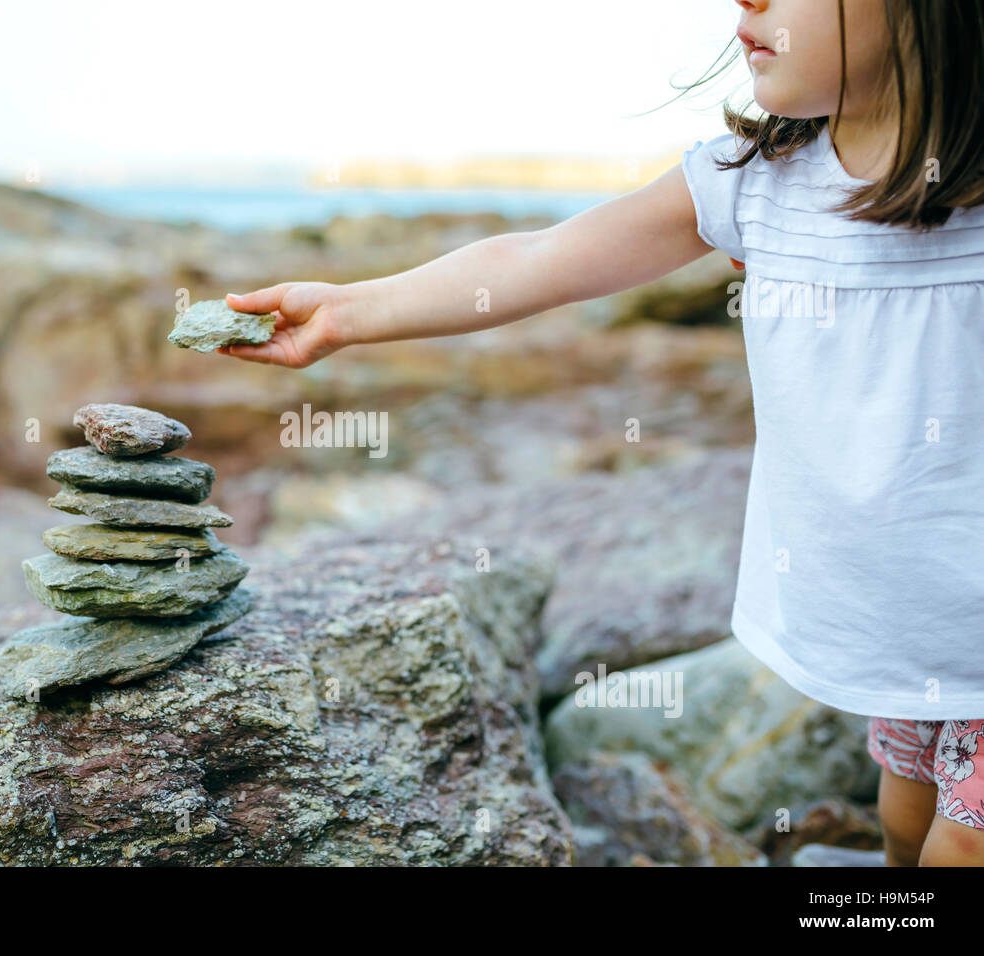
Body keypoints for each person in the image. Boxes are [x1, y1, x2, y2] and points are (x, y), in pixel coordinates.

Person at [219, 0, 984, 866]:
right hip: (909, 636)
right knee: (905, 822)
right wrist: (348, 310)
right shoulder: (756, 184)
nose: (748, 2)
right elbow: (539, 261)